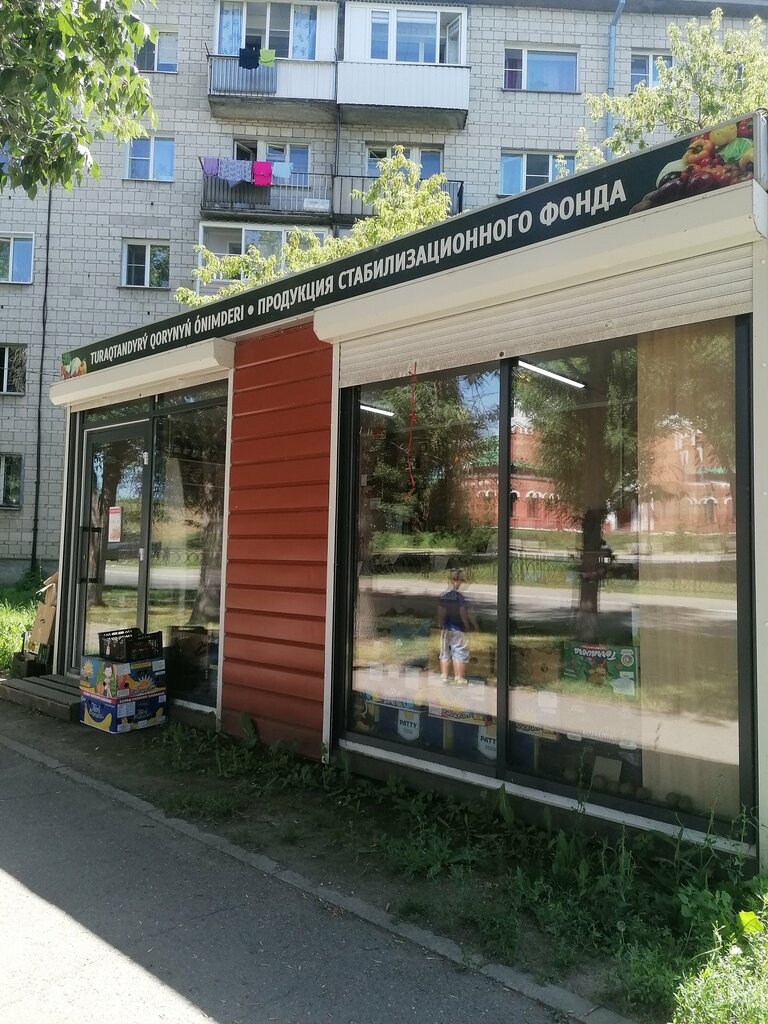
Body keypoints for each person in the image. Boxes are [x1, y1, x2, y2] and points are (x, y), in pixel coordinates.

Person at [437, 568, 478, 685]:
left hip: (446, 629)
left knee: (445, 652)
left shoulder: (444, 596)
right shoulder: (461, 597)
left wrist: (440, 624)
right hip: (458, 628)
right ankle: (459, 677)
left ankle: (444, 676)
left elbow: (440, 612)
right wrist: (469, 626)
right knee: (459, 652)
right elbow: (464, 612)